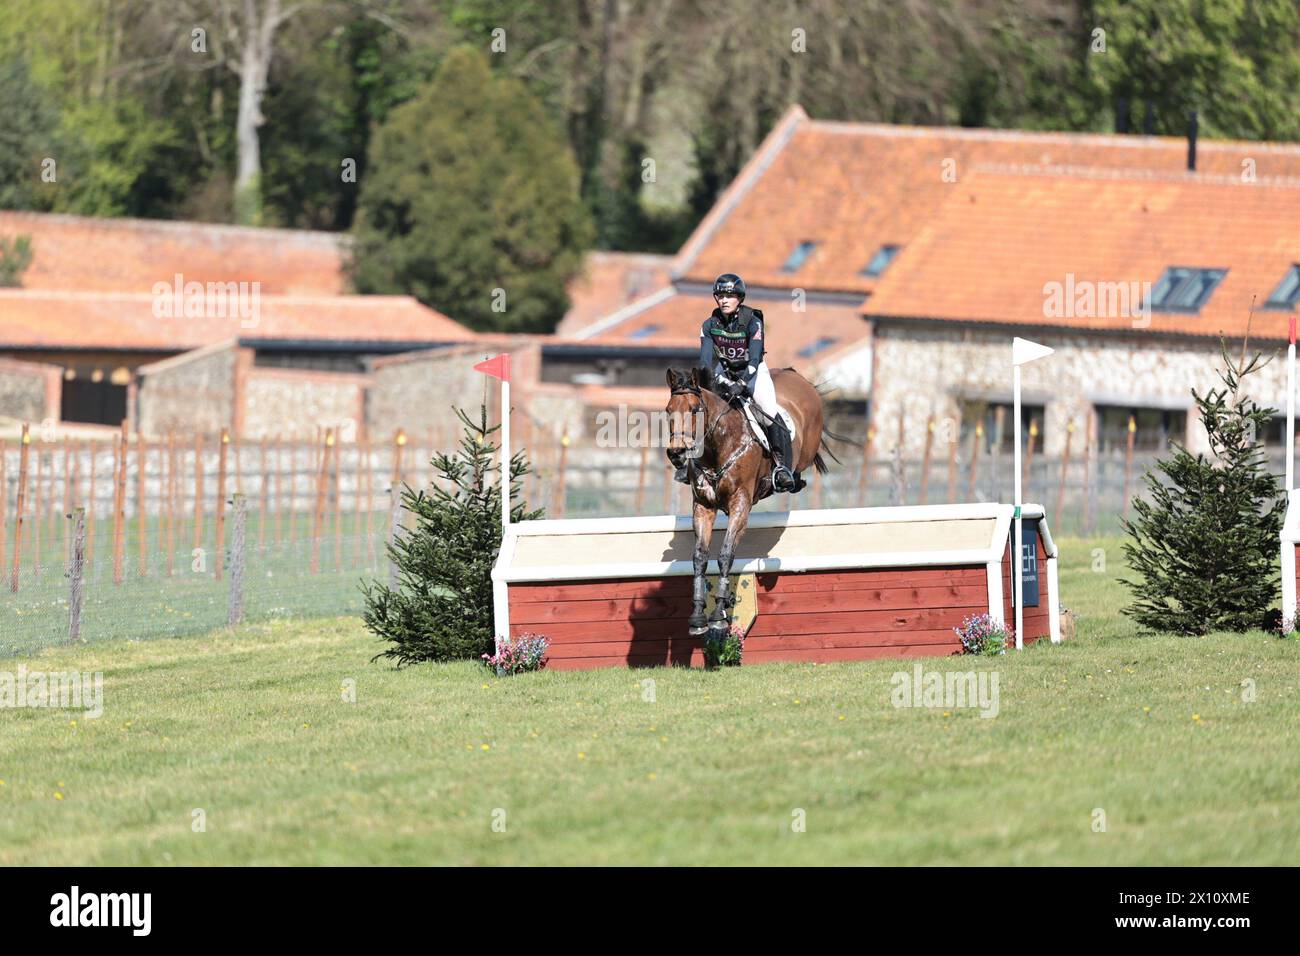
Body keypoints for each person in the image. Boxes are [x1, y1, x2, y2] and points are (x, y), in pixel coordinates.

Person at [679, 273, 798, 492]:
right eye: (720, 296)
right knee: (702, 410)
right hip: (724, 373)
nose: (724, 300)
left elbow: (753, 359)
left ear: (739, 297)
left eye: (729, 295)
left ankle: (783, 468)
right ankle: (691, 463)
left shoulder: (752, 321)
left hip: (754, 374)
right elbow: (705, 362)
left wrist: (742, 384)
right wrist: (714, 382)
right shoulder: (709, 325)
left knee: (768, 411)